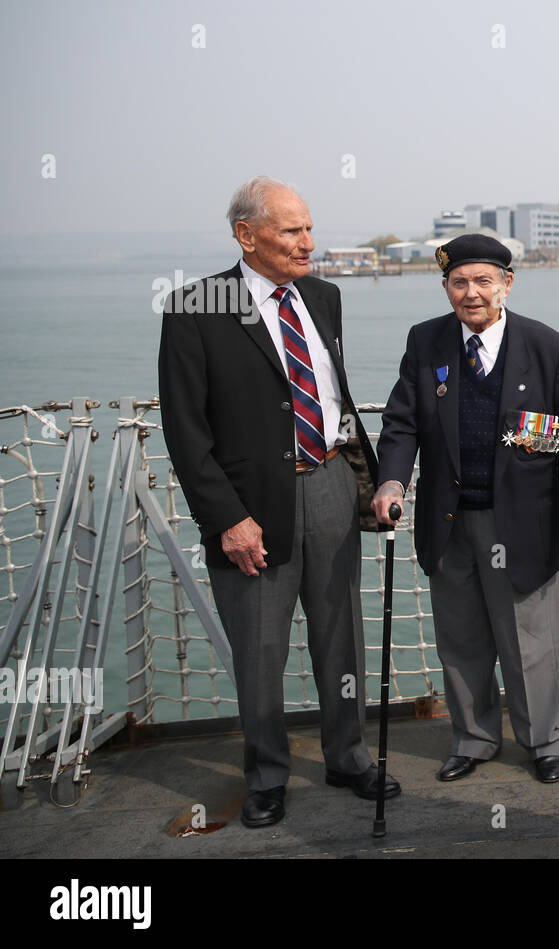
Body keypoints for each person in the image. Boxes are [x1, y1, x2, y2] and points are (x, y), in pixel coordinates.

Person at [157, 175, 399, 829]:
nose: (308, 243)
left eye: (309, 228)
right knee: (261, 649)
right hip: (250, 507)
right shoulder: (193, 307)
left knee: (340, 636)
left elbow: (336, 402)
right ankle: (266, 774)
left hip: (329, 488)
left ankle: (349, 756)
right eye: (292, 231)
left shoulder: (323, 296)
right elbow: (186, 430)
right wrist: (227, 518)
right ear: (247, 234)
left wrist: (365, 482)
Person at [372, 234, 559, 784]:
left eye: (483, 282)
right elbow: (401, 422)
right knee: (462, 638)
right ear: (446, 286)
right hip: (450, 522)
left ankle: (544, 740)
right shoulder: (425, 343)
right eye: (459, 283)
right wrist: (393, 481)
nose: (471, 294)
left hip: (524, 522)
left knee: (531, 642)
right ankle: (473, 738)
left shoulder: (549, 348)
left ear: (506, 284)